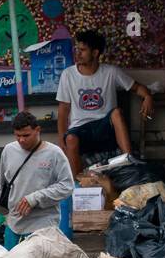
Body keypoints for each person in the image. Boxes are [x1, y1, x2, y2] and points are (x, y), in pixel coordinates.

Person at [56, 30, 153, 176]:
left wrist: (147, 97)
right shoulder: (68, 75)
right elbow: (63, 109)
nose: (78, 53)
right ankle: (77, 182)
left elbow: (137, 87)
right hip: (81, 130)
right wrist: (62, 140)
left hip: (105, 128)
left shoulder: (111, 72)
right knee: (70, 138)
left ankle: (129, 159)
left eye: (82, 50)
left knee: (117, 113)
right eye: (77, 49)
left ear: (95, 53)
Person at [0, 110, 75, 250]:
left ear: (37, 130)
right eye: (18, 136)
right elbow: (1, 184)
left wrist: (35, 198)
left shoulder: (54, 153)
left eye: (26, 135)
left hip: (43, 224)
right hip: (14, 224)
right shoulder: (8, 151)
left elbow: (67, 186)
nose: (21, 140)